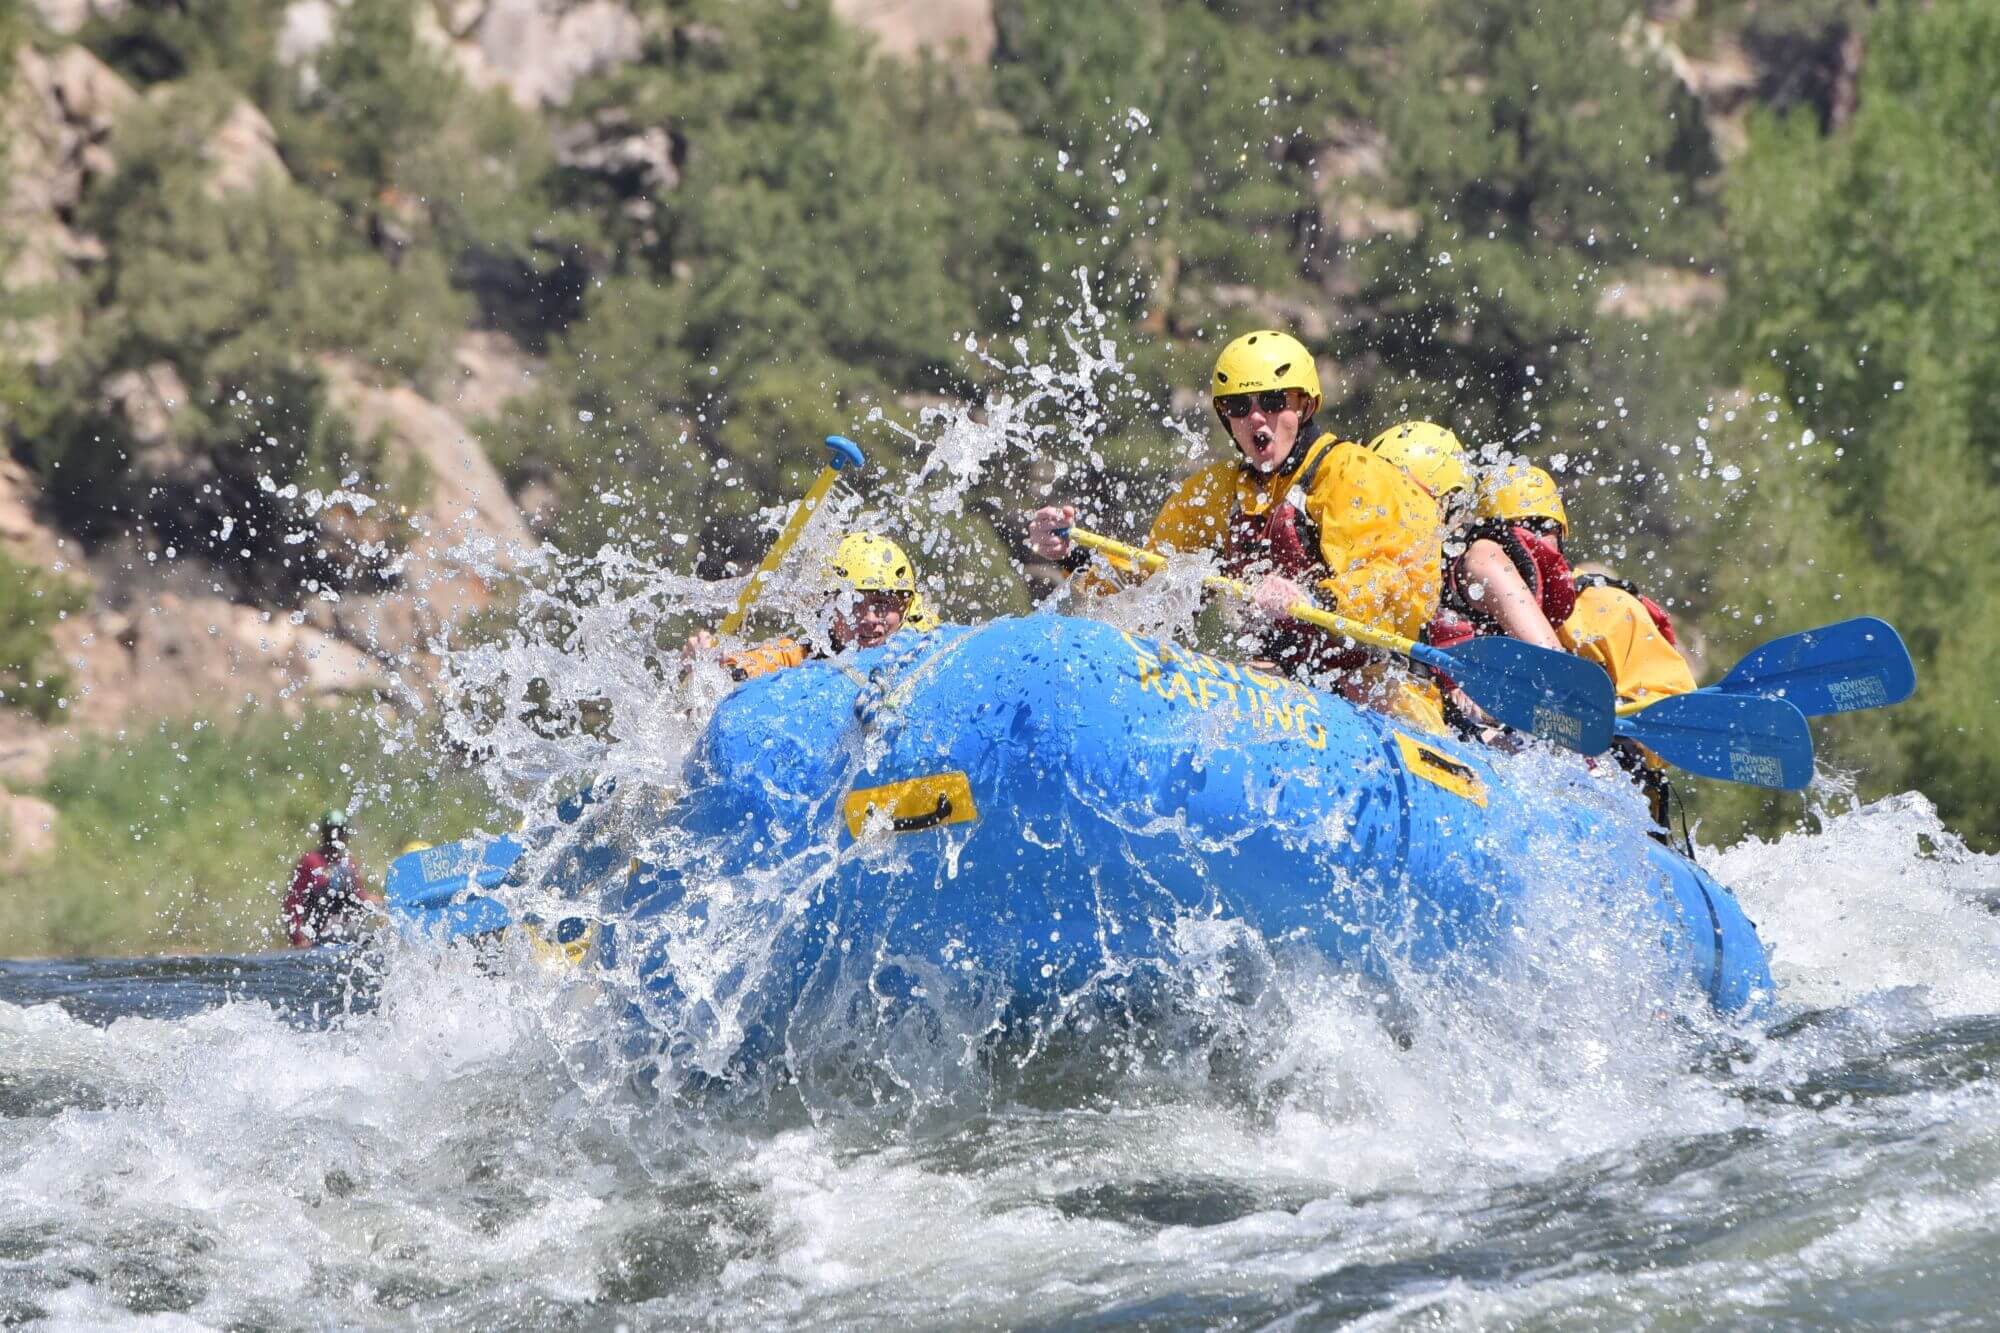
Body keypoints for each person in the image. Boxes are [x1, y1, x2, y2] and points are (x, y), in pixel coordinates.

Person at [1026, 330, 1443, 720]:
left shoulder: (1349, 472)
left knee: (1355, 683)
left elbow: (1388, 582)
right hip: (1284, 678)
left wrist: (1311, 596)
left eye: (1273, 401)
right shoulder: (1217, 491)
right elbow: (1147, 580)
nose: (1256, 419)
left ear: (1305, 405)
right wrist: (1074, 553)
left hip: (1378, 680)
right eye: (1240, 408)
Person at [685, 531, 936, 681]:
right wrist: (710, 663)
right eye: (853, 603)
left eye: (882, 604)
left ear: (905, 608)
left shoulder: (924, 645)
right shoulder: (803, 656)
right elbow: (753, 664)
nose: (870, 618)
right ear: (827, 607)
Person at [284, 808, 378, 947]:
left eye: (340, 831)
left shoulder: (348, 863)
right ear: (323, 834)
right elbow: (294, 900)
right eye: (331, 832)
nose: (335, 836)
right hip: (317, 934)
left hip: (345, 930)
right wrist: (299, 937)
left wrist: (380, 905)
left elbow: (359, 896)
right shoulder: (310, 861)